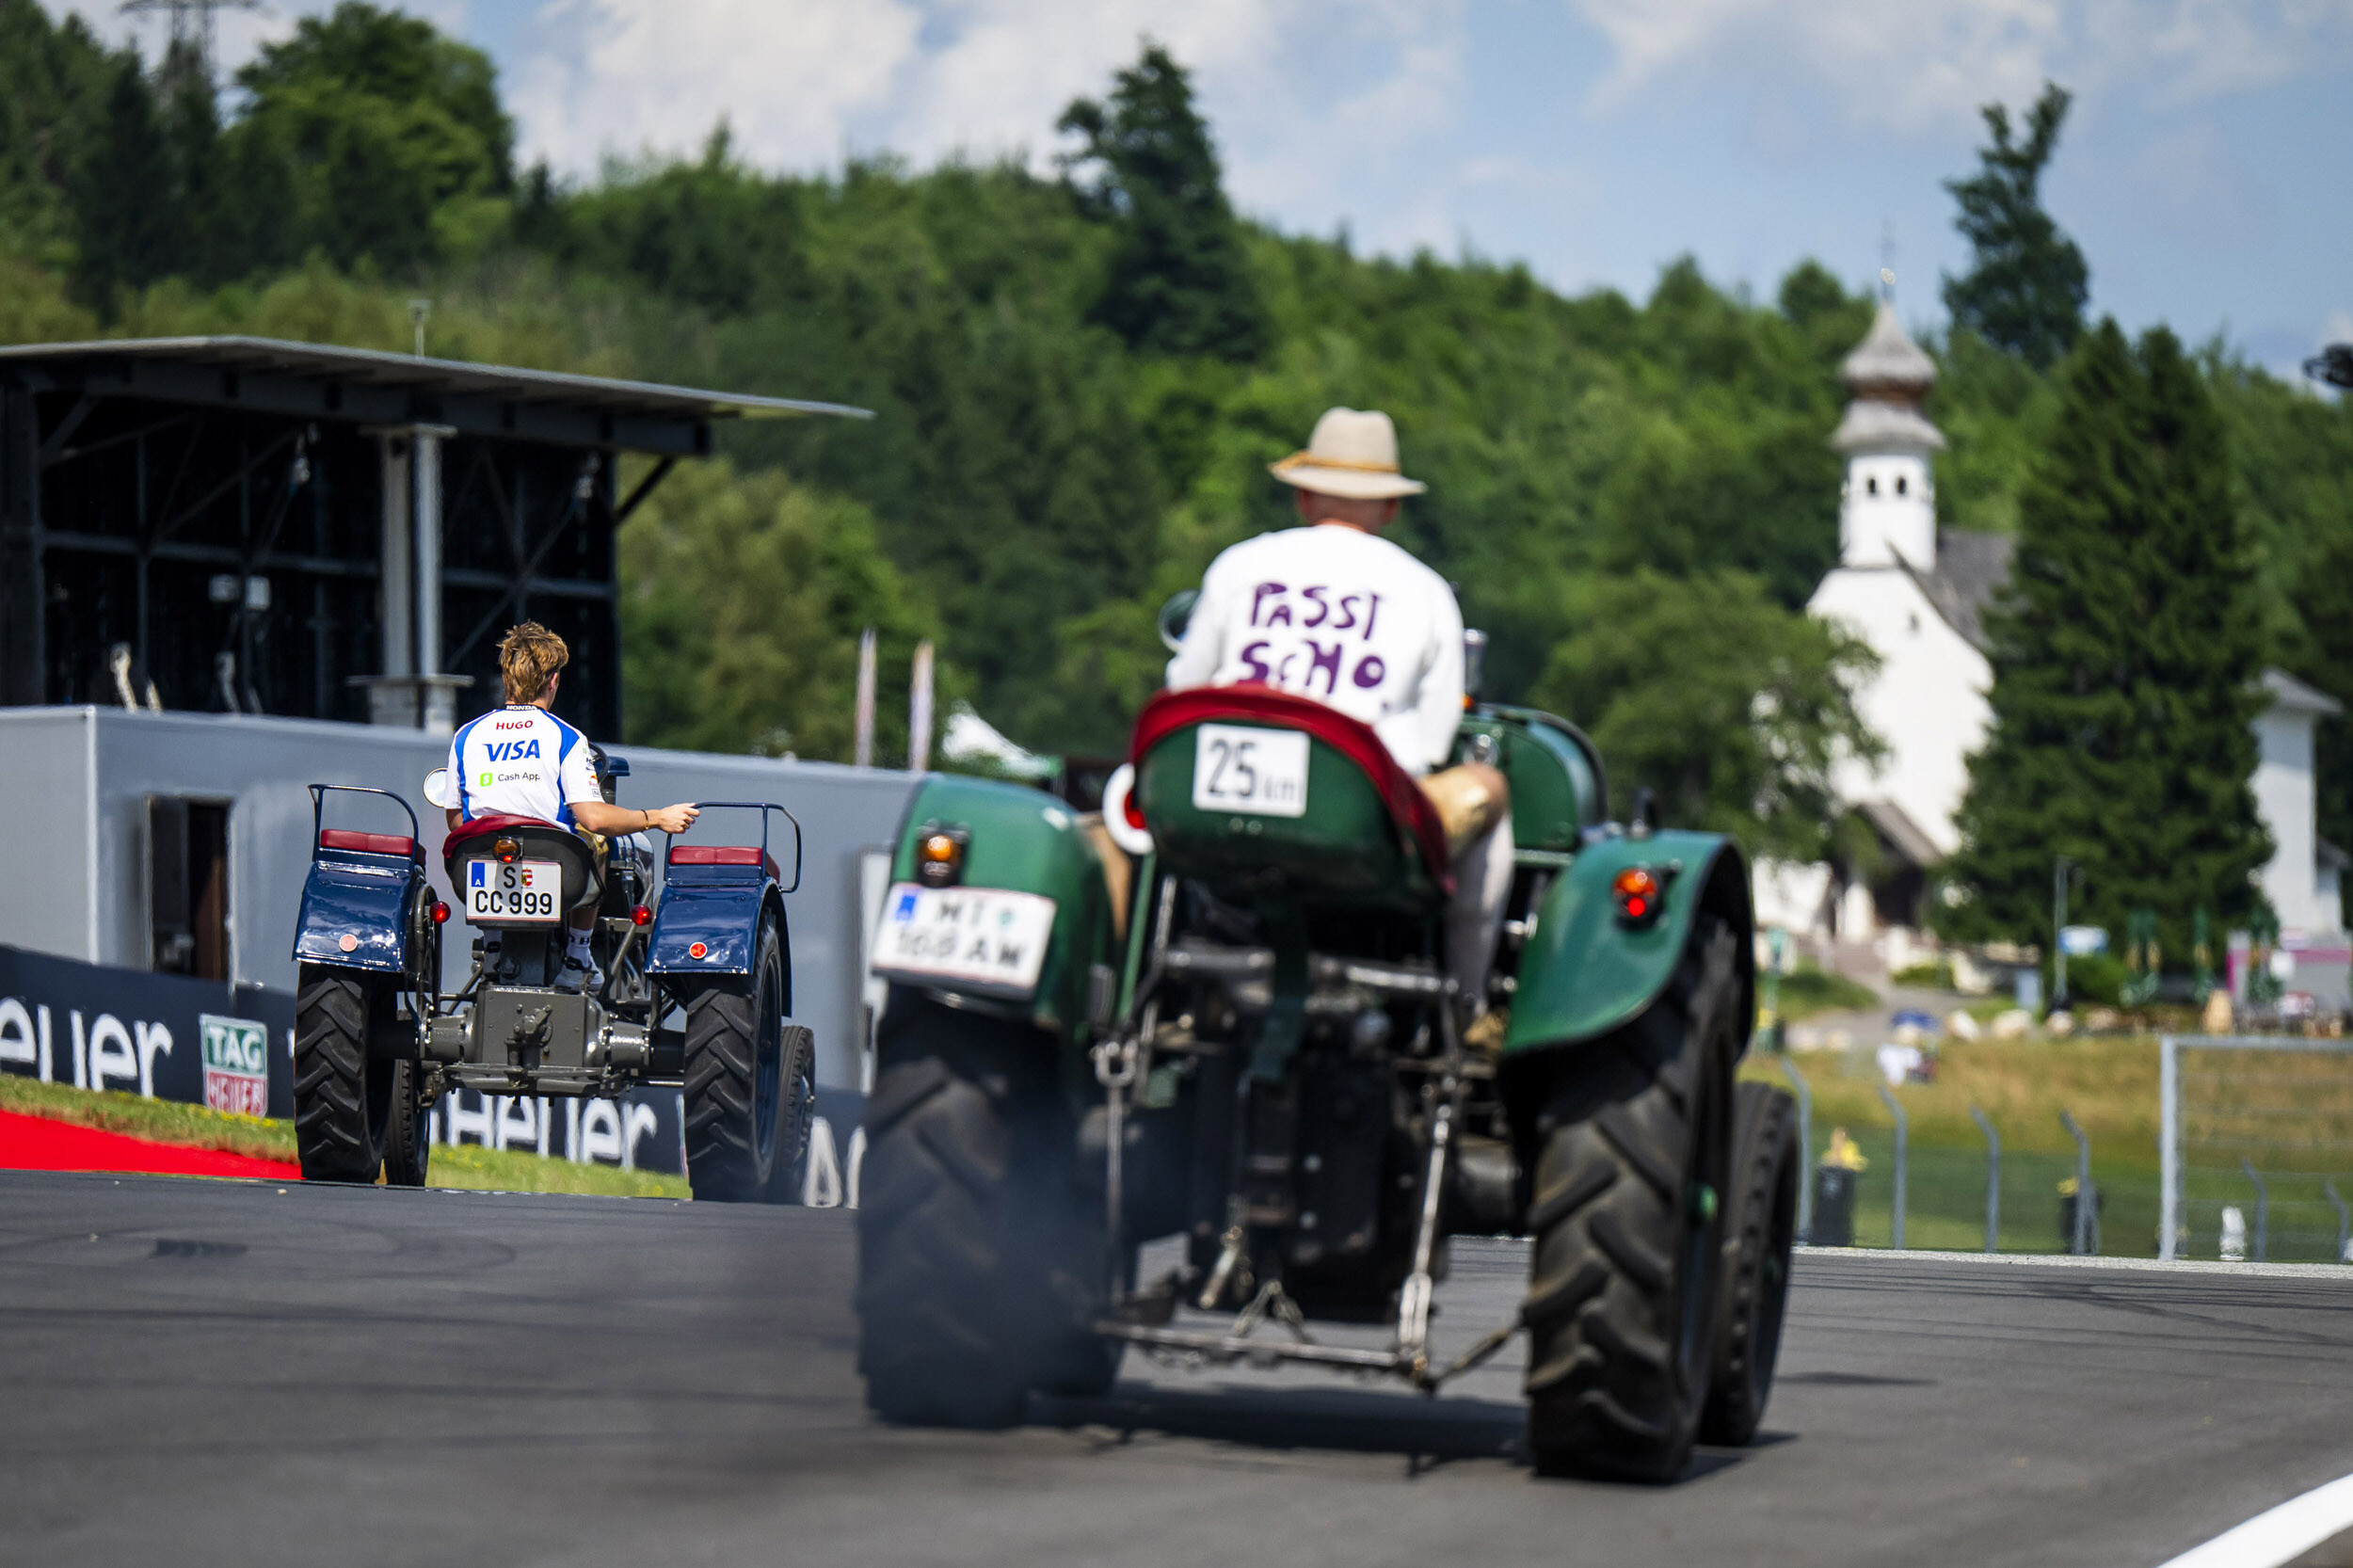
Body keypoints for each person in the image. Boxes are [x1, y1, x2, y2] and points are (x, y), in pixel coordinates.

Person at [1164, 407, 1513, 1032]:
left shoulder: (1238, 565)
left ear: (1302, 497)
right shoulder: (1426, 591)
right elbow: (1433, 744)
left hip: (1219, 813)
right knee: (1490, 790)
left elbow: (1184, 689)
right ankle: (1466, 1005)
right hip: (1362, 824)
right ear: (1391, 508)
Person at [446, 622, 698, 992]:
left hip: (471, 866)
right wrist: (656, 818)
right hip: (556, 867)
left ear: (506, 680)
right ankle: (578, 955)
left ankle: (494, 944)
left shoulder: (466, 735)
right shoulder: (565, 737)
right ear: (553, 682)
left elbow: (456, 820)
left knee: (483, 843)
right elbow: (594, 818)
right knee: (596, 843)